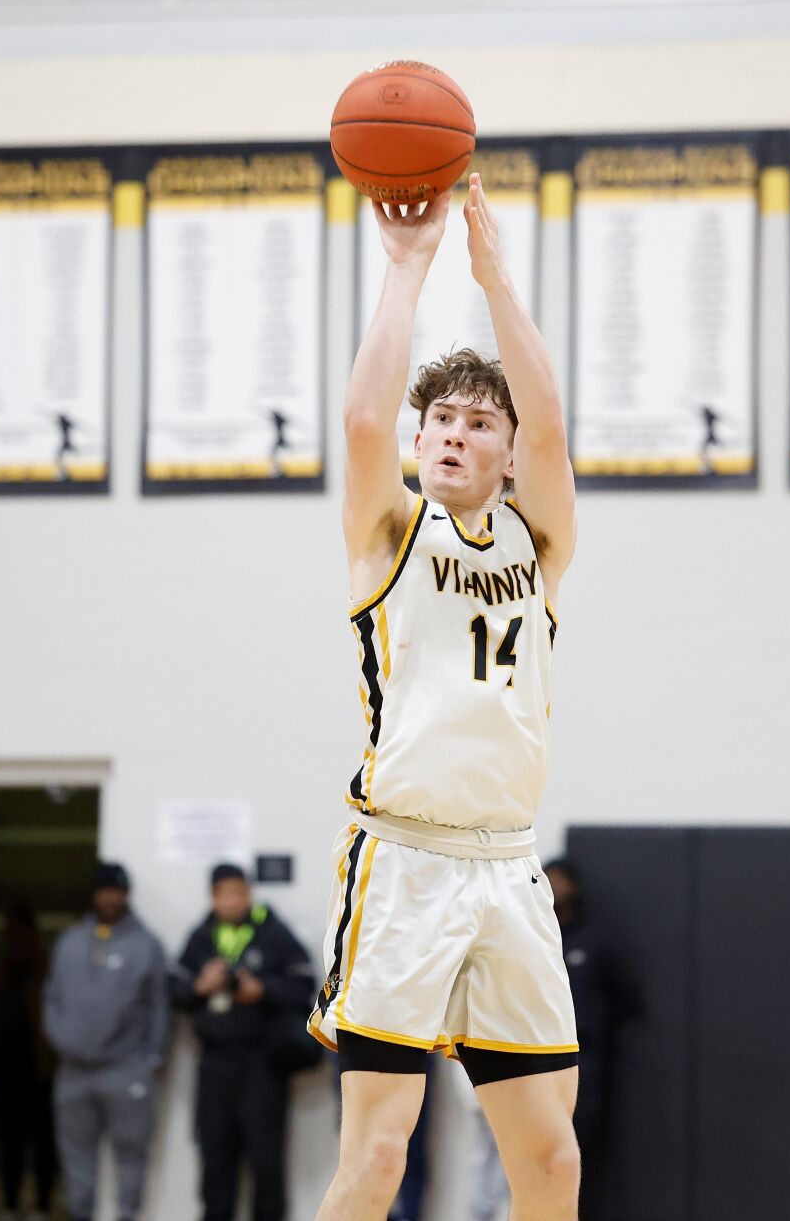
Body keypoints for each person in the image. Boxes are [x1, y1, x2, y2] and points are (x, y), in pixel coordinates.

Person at [310, 174, 581, 1220]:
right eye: (441, 420)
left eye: (477, 421)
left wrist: (493, 275)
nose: (452, 433)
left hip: (509, 866)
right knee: (375, 1161)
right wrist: (408, 266)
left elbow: (549, 417)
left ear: (507, 455)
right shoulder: (389, 534)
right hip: (405, 863)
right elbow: (362, 415)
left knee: (550, 1161)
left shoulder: (537, 539)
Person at [172, 864, 314, 1221]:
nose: (232, 901)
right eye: (225, 894)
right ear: (213, 897)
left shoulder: (273, 931)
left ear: (249, 894)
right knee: (214, 1162)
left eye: (239, 893)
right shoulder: (202, 935)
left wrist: (261, 990)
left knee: (266, 1166)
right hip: (215, 1065)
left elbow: (304, 987)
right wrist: (198, 988)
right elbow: (174, 990)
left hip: (261, 1065)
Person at [43, 863, 169, 1221]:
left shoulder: (146, 945)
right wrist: (59, 1038)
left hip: (126, 1070)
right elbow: (51, 995)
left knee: (131, 1159)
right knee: (76, 1161)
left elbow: (159, 1006)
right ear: (93, 894)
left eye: (116, 890)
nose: (109, 897)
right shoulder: (69, 941)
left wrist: (152, 1059)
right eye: (103, 890)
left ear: (126, 894)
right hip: (73, 1072)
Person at [544, 858, 642, 1221]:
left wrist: (595, 1027)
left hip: (586, 1057)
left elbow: (629, 998)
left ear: (575, 886)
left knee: (579, 1147)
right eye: (546, 878)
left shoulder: (597, 938)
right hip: (539, 1058)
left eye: (559, 879)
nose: (552, 886)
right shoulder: (537, 936)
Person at [0, 905, 56, 1221]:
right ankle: (9, 1204)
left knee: (43, 1143)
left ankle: (42, 1205)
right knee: (9, 1143)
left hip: (41, 1069)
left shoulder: (46, 971)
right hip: (6, 1070)